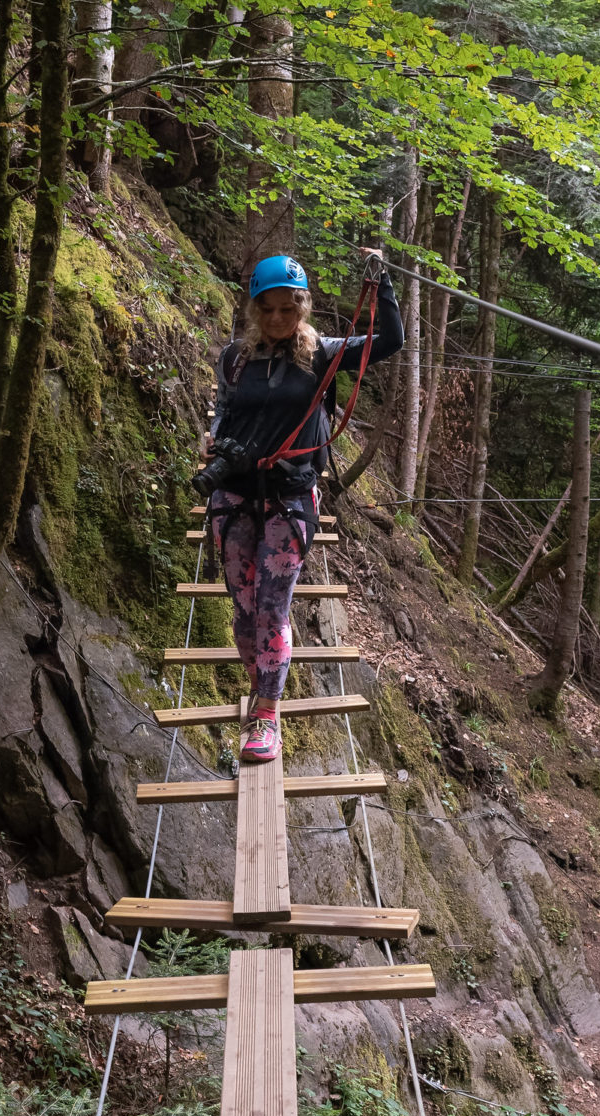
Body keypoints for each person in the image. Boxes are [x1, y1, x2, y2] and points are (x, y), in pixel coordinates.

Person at [200, 250, 403, 762]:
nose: (276, 319)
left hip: (289, 498)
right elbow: (225, 408)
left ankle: (266, 714)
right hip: (234, 496)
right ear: (253, 309)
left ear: (303, 307)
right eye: (266, 309)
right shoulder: (235, 359)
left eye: (287, 309)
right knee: (244, 613)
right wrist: (215, 440)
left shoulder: (324, 354)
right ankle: (260, 691)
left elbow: (390, 341)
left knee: (273, 608)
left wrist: (384, 284)